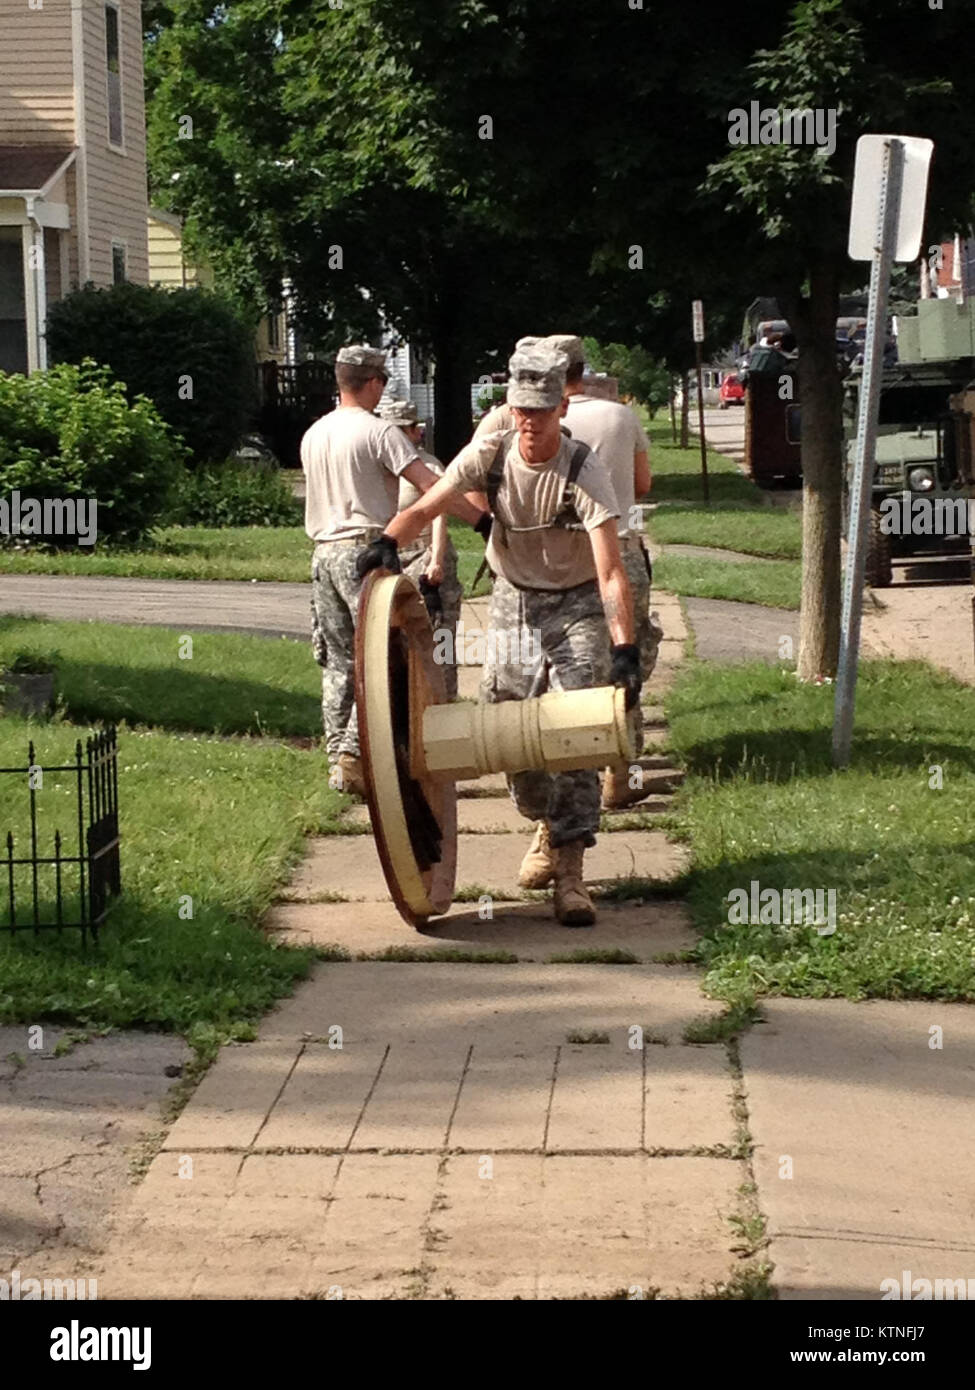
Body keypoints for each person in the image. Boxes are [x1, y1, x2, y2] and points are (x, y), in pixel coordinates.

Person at [356, 344, 641, 927]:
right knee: (505, 723)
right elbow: (430, 502)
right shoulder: (490, 451)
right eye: (521, 411)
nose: (530, 422)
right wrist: (388, 541)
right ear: (510, 409)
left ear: (562, 407)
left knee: (578, 726)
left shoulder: (584, 468)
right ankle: (541, 818)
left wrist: (625, 647)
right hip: (514, 597)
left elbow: (611, 570)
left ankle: (570, 872)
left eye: (541, 411)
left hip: (578, 601)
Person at [303, 344, 484, 796]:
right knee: (381, 656)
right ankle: (352, 753)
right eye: (382, 380)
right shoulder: (379, 432)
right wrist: (482, 520)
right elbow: (433, 489)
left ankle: (337, 763)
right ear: (373, 383)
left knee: (340, 660)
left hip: (322, 554)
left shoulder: (315, 433)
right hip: (366, 550)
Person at [544, 334, 663, 809]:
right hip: (620, 547)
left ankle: (570, 759)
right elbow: (642, 482)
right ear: (583, 369)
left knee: (568, 659)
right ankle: (621, 768)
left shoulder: (542, 420)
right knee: (624, 650)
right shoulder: (620, 416)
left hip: (559, 557)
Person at [379, 398, 462, 699]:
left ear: (416, 431)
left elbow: (440, 512)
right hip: (397, 559)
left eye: (403, 430)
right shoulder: (386, 467)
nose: (396, 437)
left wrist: (436, 559)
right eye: (391, 430)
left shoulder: (427, 466)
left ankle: (446, 703)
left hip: (427, 558)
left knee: (439, 640)